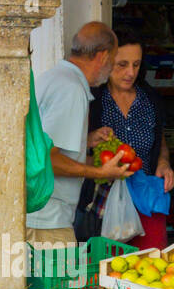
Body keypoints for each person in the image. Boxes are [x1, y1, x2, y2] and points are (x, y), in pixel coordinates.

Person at [26, 22, 131, 248]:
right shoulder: (71, 89)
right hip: (48, 219)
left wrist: (86, 140)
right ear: (102, 57)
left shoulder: (54, 76)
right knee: (58, 284)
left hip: (40, 214)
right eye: (113, 61)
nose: (111, 67)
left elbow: (45, 144)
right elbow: (49, 158)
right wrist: (99, 171)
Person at [78, 31, 174, 250]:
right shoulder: (92, 100)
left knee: (151, 260)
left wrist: (163, 163)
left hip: (145, 196)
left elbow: (159, 142)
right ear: (106, 60)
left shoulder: (150, 99)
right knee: (107, 267)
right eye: (122, 64)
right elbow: (71, 149)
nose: (130, 72)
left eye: (136, 64)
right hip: (104, 201)